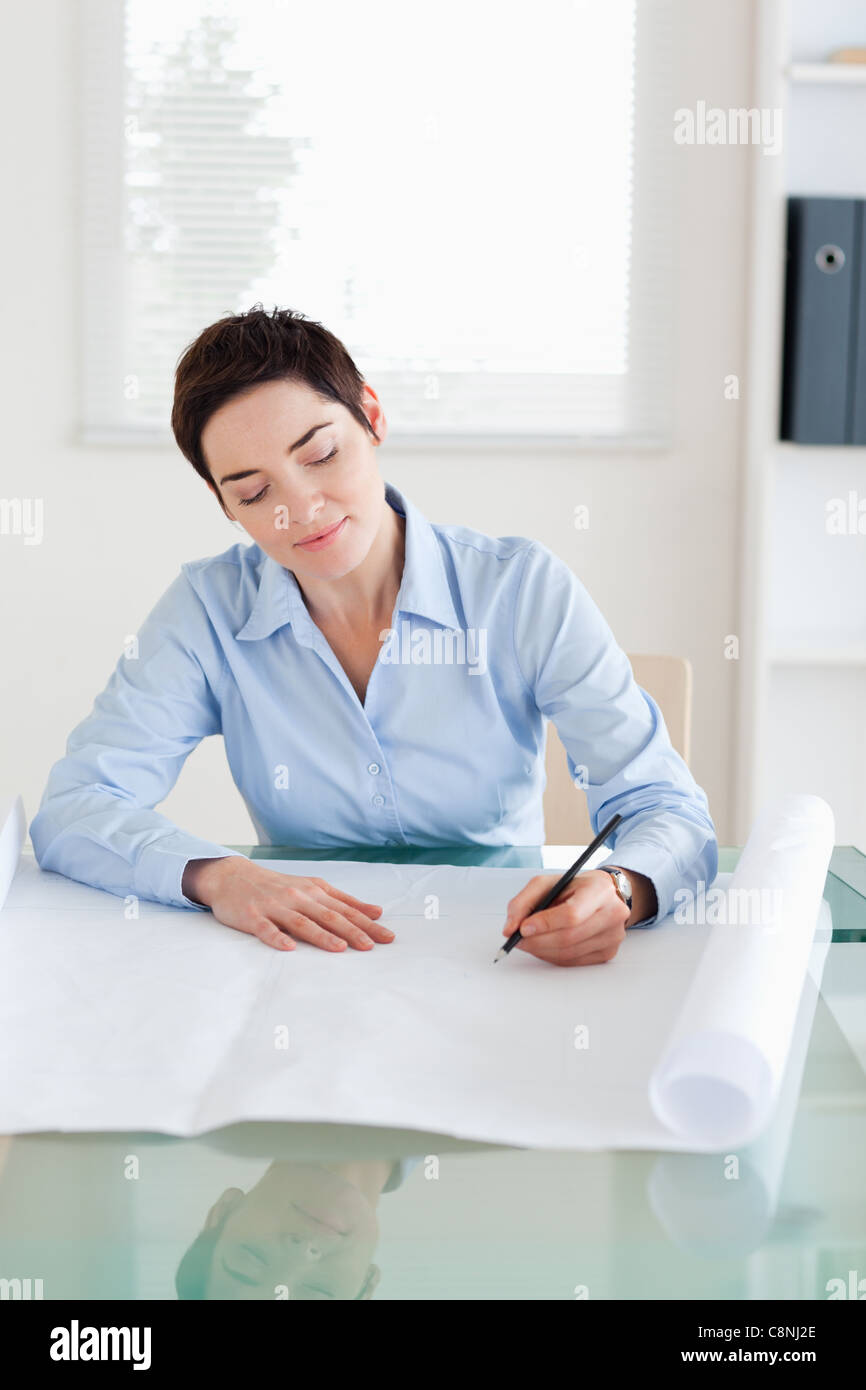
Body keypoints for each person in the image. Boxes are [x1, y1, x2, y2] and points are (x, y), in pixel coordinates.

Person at [30, 306, 718, 968]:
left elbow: (666, 809)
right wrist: (219, 877)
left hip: (499, 954)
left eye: (321, 453)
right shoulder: (206, 610)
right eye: (250, 490)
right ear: (223, 504)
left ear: (373, 416)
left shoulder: (521, 590)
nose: (299, 507)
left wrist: (622, 892)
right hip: (309, 966)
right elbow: (74, 808)